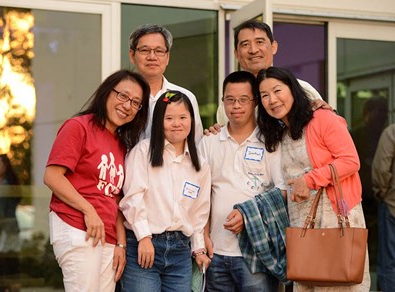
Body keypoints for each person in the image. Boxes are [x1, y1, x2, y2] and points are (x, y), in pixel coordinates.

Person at [255, 66, 370, 291]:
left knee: (339, 283)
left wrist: (309, 180)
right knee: (306, 283)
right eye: (264, 95)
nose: (272, 100)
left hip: (335, 217)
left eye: (278, 91)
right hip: (302, 223)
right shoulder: (282, 132)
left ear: (293, 90)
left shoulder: (323, 118)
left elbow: (350, 160)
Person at [43, 69, 150, 292]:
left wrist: (120, 243)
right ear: (106, 93)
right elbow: (52, 176)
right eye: (123, 96)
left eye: (135, 102)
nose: (127, 105)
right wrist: (88, 210)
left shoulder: (121, 144)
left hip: (107, 236)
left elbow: (116, 198)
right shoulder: (79, 127)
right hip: (76, 226)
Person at [199, 71, 286, 291]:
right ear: (223, 102)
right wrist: (203, 236)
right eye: (230, 100)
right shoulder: (209, 142)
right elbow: (202, 195)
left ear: (255, 102)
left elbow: (283, 190)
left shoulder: (271, 142)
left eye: (243, 100)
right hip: (215, 252)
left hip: (257, 251)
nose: (236, 106)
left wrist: (248, 215)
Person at [119, 90, 211, 292]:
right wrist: (143, 237)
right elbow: (133, 198)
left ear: (192, 120)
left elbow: (199, 212)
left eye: (182, 117)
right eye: (169, 118)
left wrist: (198, 249)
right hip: (145, 245)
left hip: (180, 251)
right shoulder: (143, 151)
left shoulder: (200, 164)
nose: (176, 123)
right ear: (159, 121)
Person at [214, 19, 324, 127]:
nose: (253, 50)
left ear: (273, 47)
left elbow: (323, 128)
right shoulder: (229, 104)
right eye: (245, 44)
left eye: (259, 42)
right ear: (236, 54)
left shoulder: (301, 89)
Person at [128, 24, 203, 144]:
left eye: (159, 51)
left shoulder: (185, 97)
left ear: (167, 57)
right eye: (145, 50)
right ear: (132, 55)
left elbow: (195, 143)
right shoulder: (121, 97)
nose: (152, 57)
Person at [350, 96, 388, 272]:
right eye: (378, 112)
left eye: (384, 113)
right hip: (361, 196)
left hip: (381, 196)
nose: (382, 117)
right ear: (367, 114)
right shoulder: (356, 135)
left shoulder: (385, 133)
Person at [372, 123, 395, 291]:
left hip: (392, 204)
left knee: (389, 261)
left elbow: (381, 168)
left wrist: (381, 192)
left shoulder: (391, 132)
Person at [0, 153, 22, 291]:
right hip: (6, 230)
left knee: (7, 263)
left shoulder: (5, 186)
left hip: (6, 230)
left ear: (5, 167)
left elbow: (0, 211)